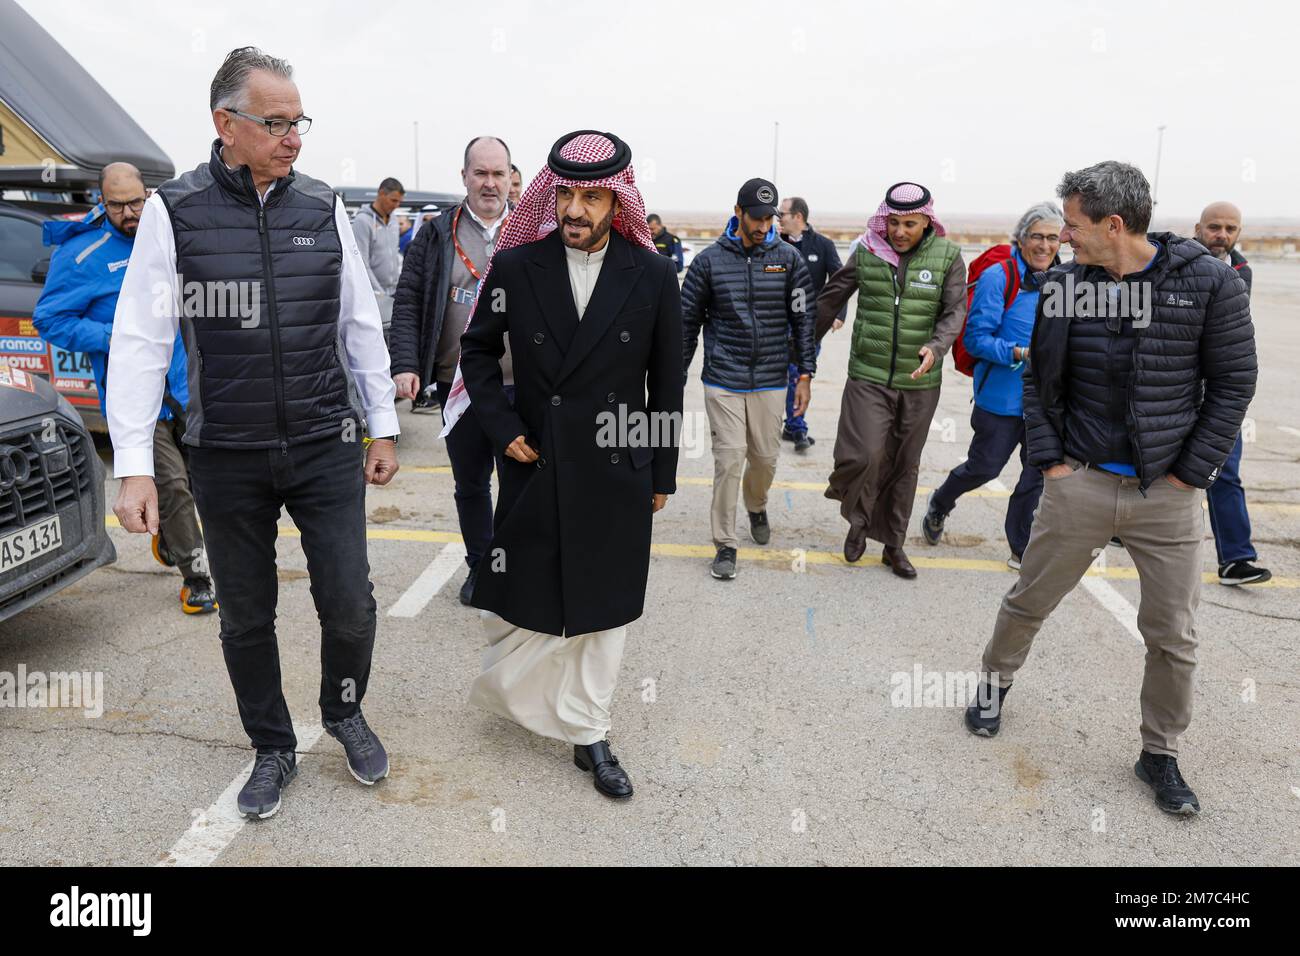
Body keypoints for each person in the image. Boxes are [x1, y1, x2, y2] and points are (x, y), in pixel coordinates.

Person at [107, 47, 401, 819]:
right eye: (274, 122)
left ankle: (343, 711)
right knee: (246, 613)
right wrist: (133, 464)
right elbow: (141, 340)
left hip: (323, 443)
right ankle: (272, 745)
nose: (293, 136)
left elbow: (358, 322)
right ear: (225, 125)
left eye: (297, 120)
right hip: (225, 454)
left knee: (350, 603)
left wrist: (383, 426)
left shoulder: (321, 204)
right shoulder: (177, 210)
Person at [965, 162, 1256, 816]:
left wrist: (1190, 474)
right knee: (1028, 600)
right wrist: (1053, 464)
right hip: (1080, 484)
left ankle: (1160, 752)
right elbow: (1041, 380)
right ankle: (993, 685)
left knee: (1173, 634)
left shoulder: (1207, 283)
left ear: (1113, 224)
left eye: (1073, 224)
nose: (1063, 236)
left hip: (1169, 494)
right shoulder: (1068, 284)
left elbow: (1234, 384)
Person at [449, 130, 683, 798]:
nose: (575, 210)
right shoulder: (520, 268)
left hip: (618, 464)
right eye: (566, 195)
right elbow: (477, 353)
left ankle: (591, 733)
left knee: (605, 610)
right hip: (537, 459)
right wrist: (501, 427)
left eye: (592, 197)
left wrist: (661, 472)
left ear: (619, 201)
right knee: (526, 596)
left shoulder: (655, 275)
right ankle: (528, 702)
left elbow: (668, 382)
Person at [34, 162, 217, 615]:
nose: (129, 212)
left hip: (187, 384)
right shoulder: (82, 255)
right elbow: (50, 318)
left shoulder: (165, 235)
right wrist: (113, 338)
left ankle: (168, 538)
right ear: (102, 201)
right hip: (137, 398)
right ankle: (198, 578)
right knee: (173, 487)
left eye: (136, 201)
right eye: (117, 205)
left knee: (201, 483)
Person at [814, 182, 966, 578]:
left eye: (909, 224)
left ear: (926, 222)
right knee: (863, 455)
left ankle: (893, 544)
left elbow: (954, 312)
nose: (899, 232)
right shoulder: (867, 251)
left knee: (904, 464)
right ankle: (858, 519)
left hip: (920, 381)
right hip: (868, 373)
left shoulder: (949, 256)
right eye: (893, 222)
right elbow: (831, 299)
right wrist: (798, 355)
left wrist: (937, 346)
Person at [390, 136, 514, 604]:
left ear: (509, 177)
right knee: (471, 483)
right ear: (464, 176)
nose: (489, 182)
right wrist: (404, 363)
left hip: (516, 384)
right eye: (480, 173)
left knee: (519, 484)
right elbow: (408, 300)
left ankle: (510, 566)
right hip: (456, 384)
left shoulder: (532, 231)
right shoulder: (437, 233)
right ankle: (480, 567)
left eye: (497, 173)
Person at [681, 178, 815, 580]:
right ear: (738, 212)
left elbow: (803, 320)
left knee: (765, 460)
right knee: (729, 459)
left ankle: (756, 505)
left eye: (768, 218)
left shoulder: (788, 260)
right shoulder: (708, 262)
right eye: (755, 217)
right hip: (723, 377)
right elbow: (686, 323)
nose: (762, 226)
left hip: (772, 379)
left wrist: (805, 373)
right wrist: (674, 375)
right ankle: (725, 543)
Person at [921, 202, 1063, 568]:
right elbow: (976, 340)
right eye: (1037, 236)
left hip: (1046, 402)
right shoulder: (998, 277)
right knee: (984, 468)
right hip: (1001, 398)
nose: (1045, 245)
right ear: (1021, 238)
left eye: (1052, 237)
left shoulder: (1066, 279)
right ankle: (940, 501)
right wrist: (1018, 351)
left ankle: (1021, 546)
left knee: (1036, 475)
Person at [1194, 201, 1269, 585]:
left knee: (1224, 472)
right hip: (1173, 387)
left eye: (1230, 228)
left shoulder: (1241, 270)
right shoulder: (1174, 261)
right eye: (1214, 227)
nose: (1222, 235)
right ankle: (1119, 528)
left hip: (1218, 391)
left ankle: (1236, 560)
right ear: (1198, 228)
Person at [779, 196, 843, 452]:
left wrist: (838, 313)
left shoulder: (823, 245)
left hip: (809, 324)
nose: (777, 219)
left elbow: (840, 281)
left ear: (798, 217)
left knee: (799, 374)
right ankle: (788, 425)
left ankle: (796, 427)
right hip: (776, 321)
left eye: (782, 214)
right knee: (776, 375)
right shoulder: (773, 244)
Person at [352, 176, 404, 334]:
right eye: (393, 200)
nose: (396, 205)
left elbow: (395, 255)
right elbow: (361, 261)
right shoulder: (363, 221)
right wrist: (378, 291)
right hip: (374, 294)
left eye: (399, 202)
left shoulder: (394, 221)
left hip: (393, 292)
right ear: (381, 193)